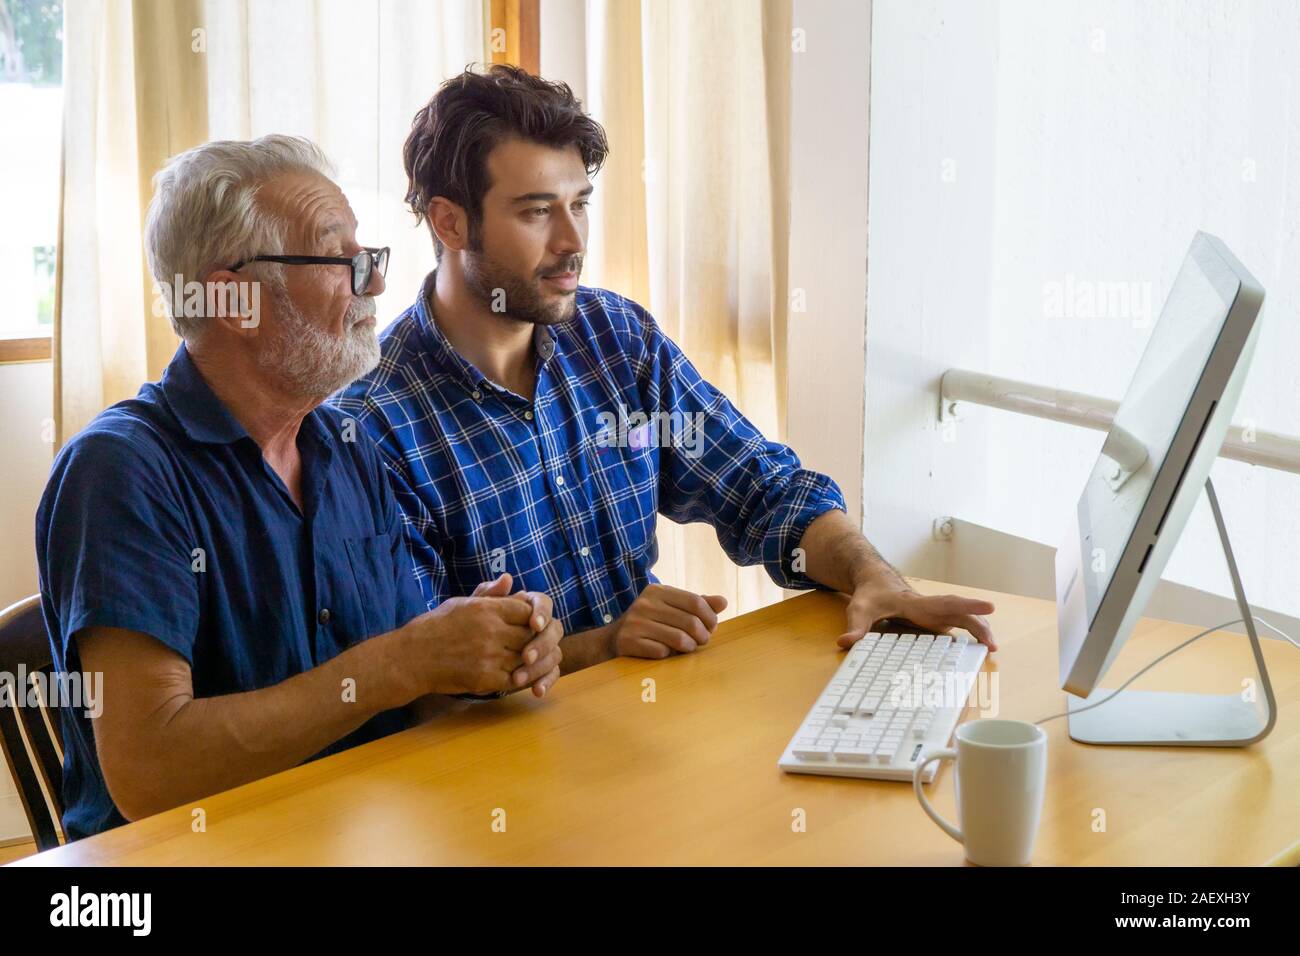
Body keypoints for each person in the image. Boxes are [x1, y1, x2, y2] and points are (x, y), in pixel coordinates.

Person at [36, 135, 561, 840]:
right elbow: (150, 771)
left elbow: (409, 693)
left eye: (368, 257)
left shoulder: (348, 446)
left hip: (364, 833)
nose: (373, 284)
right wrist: (403, 662)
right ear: (232, 299)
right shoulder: (121, 471)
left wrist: (489, 651)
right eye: (340, 260)